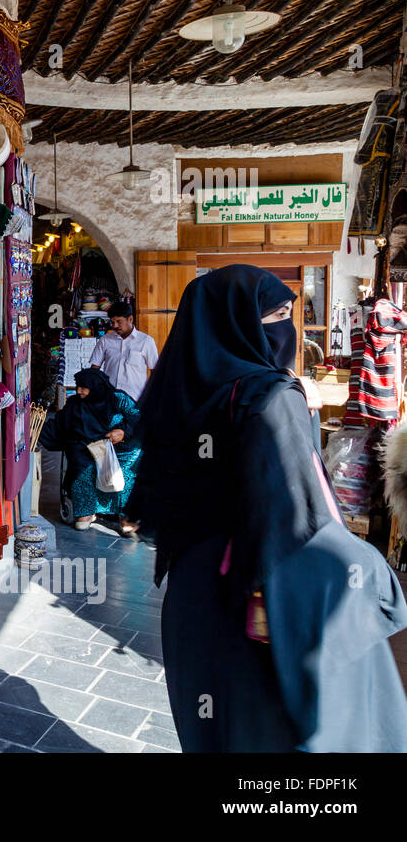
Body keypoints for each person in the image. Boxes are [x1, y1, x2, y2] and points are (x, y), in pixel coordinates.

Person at [129, 264, 407, 752]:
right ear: (240, 324)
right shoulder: (271, 398)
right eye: (274, 315)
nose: (286, 329)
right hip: (256, 601)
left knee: (214, 726)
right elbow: (303, 525)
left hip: (194, 596)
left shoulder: (179, 395)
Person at [39, 368, 141, 537]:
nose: (79, 390)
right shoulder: (75, 404)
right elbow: (60, 425)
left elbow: (138, 417)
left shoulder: (117, 399)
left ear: (96, 387)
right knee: (81, 466)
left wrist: (123, 432)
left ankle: (125, 516)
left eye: (84, 387)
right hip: (87, 448)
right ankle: (86, 511)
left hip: (119, 447)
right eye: (78, 386)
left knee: (129, 466)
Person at [89, 300, 158, 400]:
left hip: (136, 400)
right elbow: (94, 370)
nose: (115, 326)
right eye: (112, 322)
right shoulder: (105, 340)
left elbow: (155, 373)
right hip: (110, 400)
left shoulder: (146, 341)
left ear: (130, 319)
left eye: (119, 321)